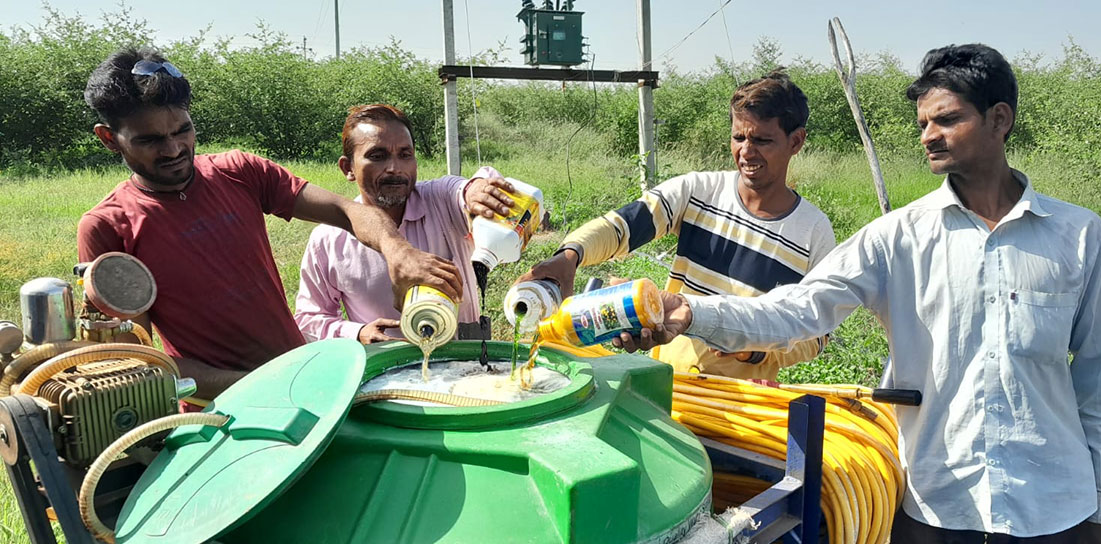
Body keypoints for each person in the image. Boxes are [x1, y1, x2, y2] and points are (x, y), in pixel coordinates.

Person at [613, 44, 1101, 544]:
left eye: (947, 119)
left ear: (1000, 119)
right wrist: (690, 313)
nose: (929, 135)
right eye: (923, 123)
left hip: (1048, 493)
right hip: (935, 485)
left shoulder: (1078, 236)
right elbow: (799, 309)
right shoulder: (899, 237)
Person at [76, 48, 463, 400]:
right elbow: (138, 361)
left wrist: (398, 252)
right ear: (109, 138)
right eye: (150, 140)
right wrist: (261, 384)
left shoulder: (239, 172)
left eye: (182, 130)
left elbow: (348, 211)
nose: (174, 149)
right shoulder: (107, 227)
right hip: (219, 407)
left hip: (301, 381)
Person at [519, 70, 835, 381]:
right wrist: (571, 255)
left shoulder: (813, 232)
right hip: (669, 382)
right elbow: (625, 226)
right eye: (738, 137)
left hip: (742, 399)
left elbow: (817, 333)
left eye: (762, 140)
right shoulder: (698, 192)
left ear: (796, 141)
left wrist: (752, 350)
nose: (746, 152)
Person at [293, 104, 517, 344]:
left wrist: (477, 189)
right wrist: (357, 333)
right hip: (385, 364)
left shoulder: (441, 202)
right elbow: (309, 318)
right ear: (348, 168)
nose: (394, 168)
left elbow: (463, 188)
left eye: (405, 155)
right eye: (377, 156)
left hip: (464, 358)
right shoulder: (329, 240)